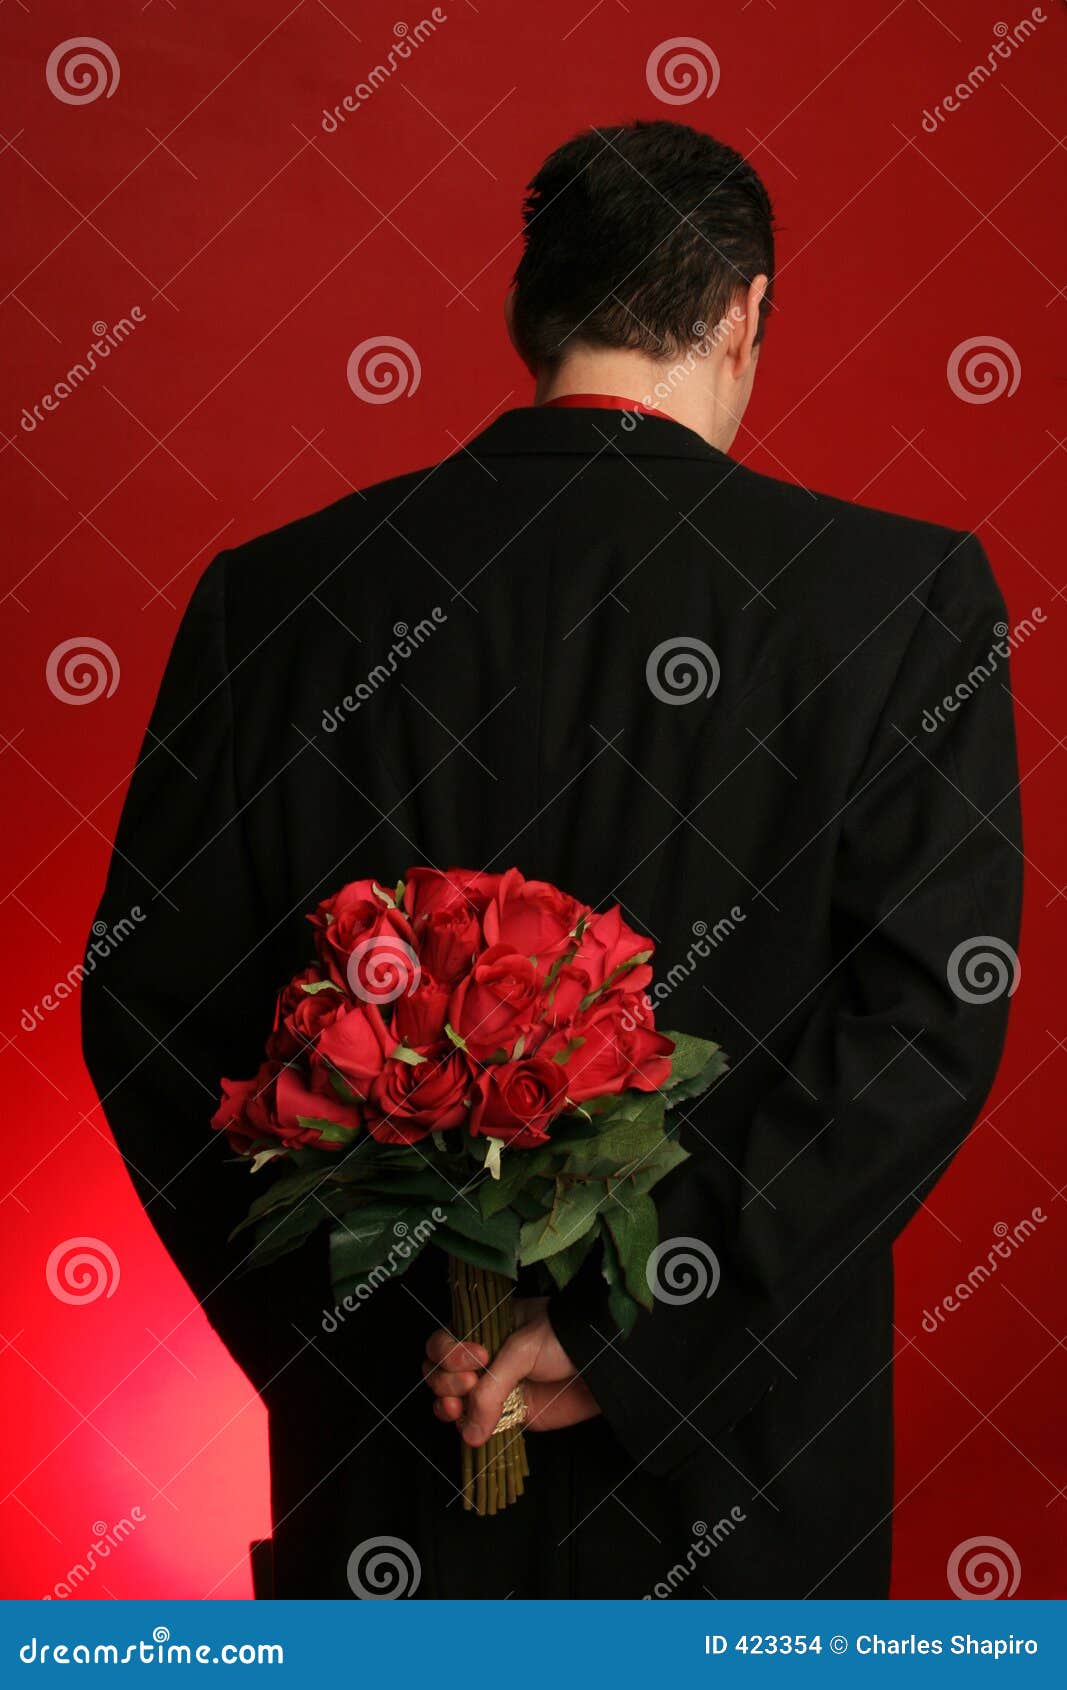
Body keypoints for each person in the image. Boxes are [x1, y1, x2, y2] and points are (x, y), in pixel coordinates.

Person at [82, 120, 1021, 1598]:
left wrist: (368, 1345)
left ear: (531, 316)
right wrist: (650, 1327)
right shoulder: (899, 602)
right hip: (742, 1498)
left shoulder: (277, 599)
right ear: (743, 313)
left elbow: (146, 1003)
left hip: (398, 1475)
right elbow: (920, 1032)